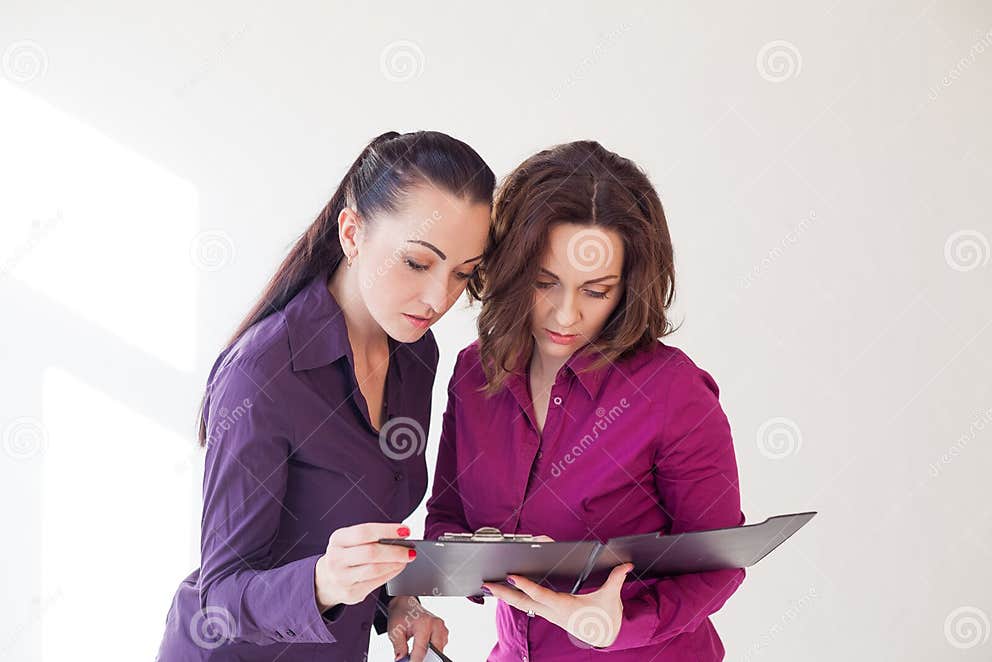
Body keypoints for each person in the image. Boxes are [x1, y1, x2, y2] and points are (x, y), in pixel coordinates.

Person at [157, 130, 495, 662]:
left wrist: (398, 601)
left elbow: (362, 531)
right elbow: (218, 597)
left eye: (463, 274)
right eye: (417, 263)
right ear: (353, 232)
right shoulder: (264, 374)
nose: (439, 298)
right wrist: (323, 581)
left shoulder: (416, 354)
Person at [425, 140, 746, 660]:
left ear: (630, 286)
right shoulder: (473, 372)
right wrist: (458, 568)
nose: (565, 315)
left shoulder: (673, 392)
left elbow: (718, 562)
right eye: (545, 282)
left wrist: (619, 623)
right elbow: (446, 518)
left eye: (596, 291)